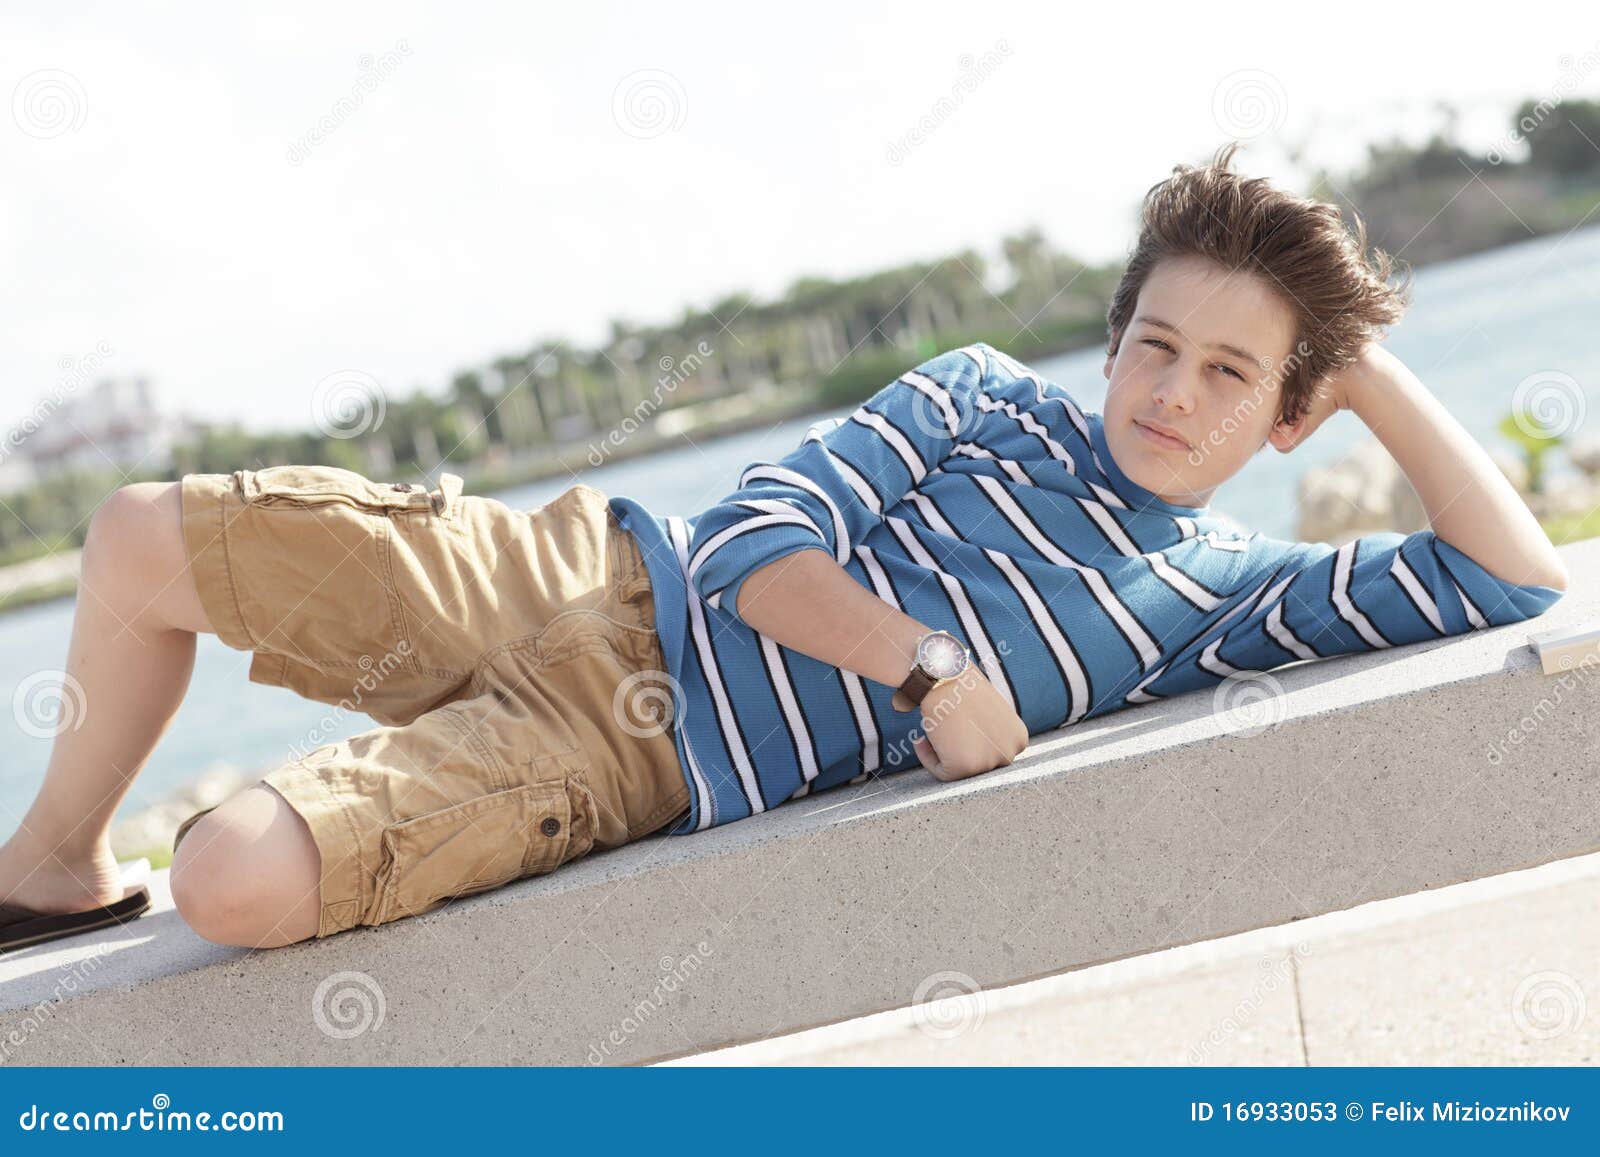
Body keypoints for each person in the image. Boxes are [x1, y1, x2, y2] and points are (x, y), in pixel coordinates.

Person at [0, 143, 1568, 951]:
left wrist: (1355, 357)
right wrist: (924, 666)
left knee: (228, 880)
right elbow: (756, 534)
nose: (1172, 392)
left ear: (1287, 419)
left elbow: (1508, 583)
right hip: (582, 568)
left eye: (1231, 375)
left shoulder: (1205, 600)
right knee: (139, 537)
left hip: (626, 752)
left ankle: (270, 814)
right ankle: (55, 867)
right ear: (1113, 337)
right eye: (1156, 343)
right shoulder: (977, 399)